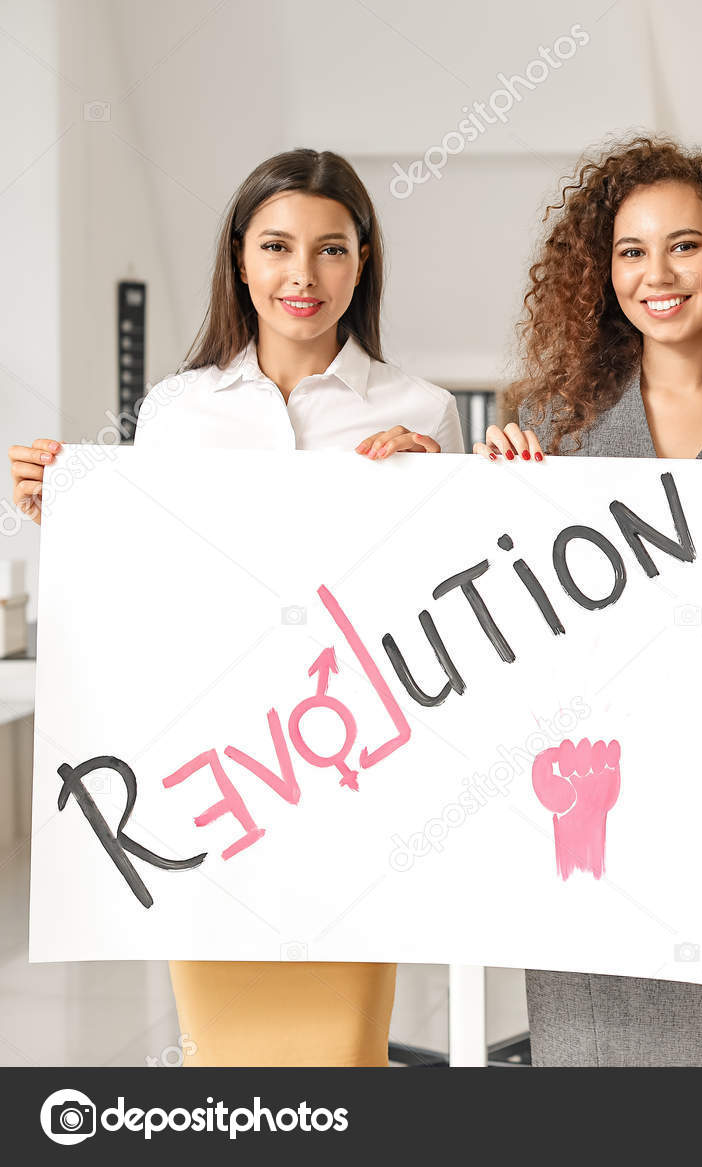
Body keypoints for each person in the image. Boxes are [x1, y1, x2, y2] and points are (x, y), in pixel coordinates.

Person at [9, 148, 462, 1066]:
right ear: (241, 259)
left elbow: (444, 609)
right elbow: (148, 582)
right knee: (223, 1059)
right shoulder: (176, 411)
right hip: (213, 775)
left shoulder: (425, 410)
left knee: (342, 1058)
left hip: (352, 773)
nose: (303, 276)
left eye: (331, 250)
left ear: (362, 261)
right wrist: (69, 506)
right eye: (277, 247)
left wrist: (435, 490)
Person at [475, 136, 702, 1065]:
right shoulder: (550, 425)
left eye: (684, 245)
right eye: (631, 252)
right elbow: (509, 630)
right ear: (603, 275)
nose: (658, 274)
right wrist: (501, 502)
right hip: (582, 799)